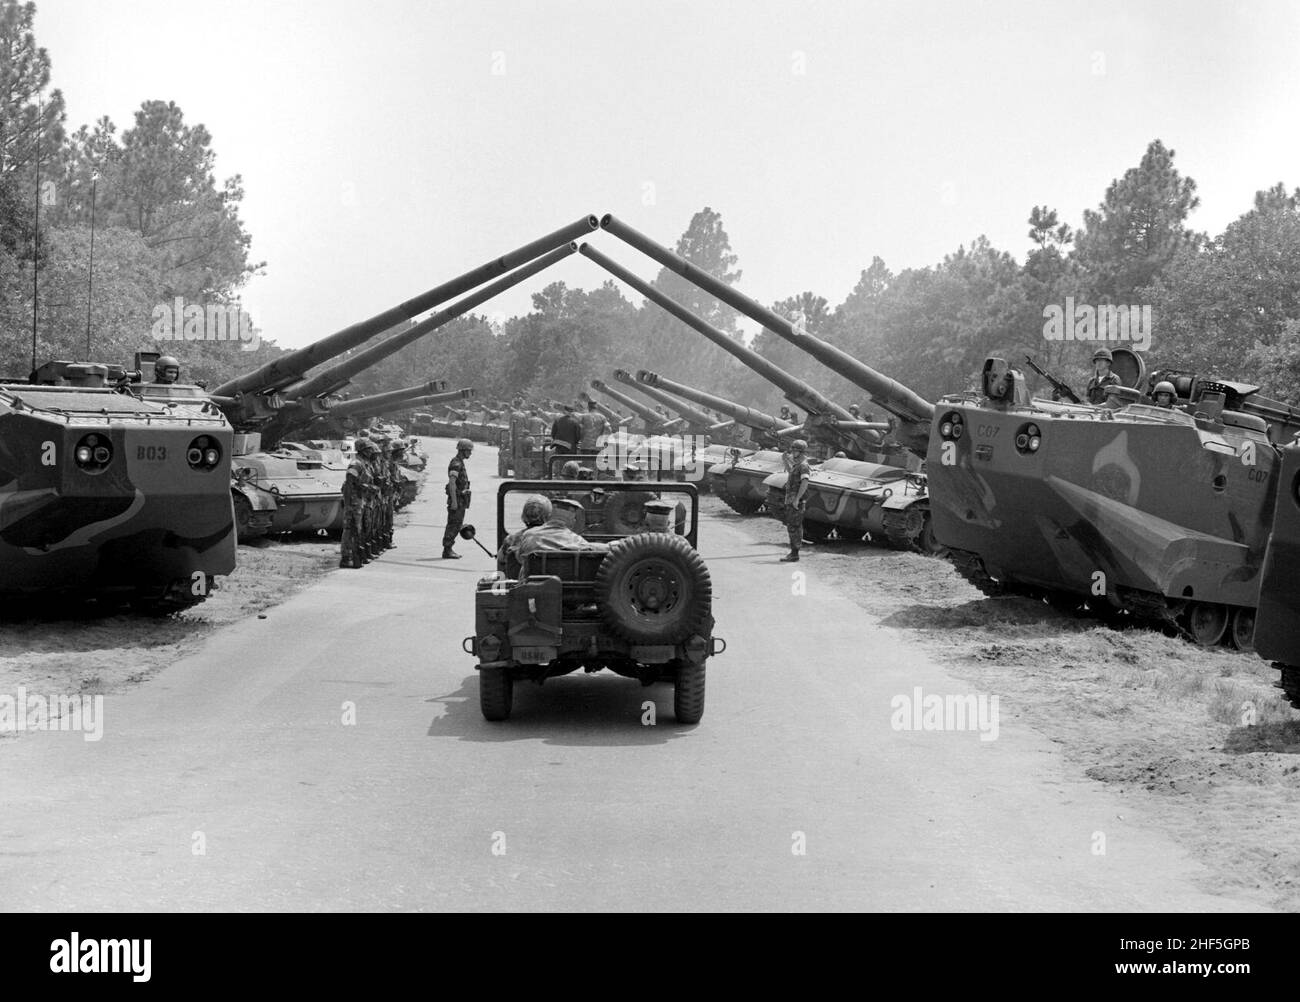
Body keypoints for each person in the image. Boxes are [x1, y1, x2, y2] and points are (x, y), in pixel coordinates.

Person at [516, 498, 609, 564]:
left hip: (529, 587)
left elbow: (519, 558)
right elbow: (595, 550)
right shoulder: (577, 540)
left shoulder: (528, 535)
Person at [340, 439, 377, 568]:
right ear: (362, 450)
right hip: (354, 501)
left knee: (359, 529)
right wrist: (350, 502)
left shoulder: (365, 463)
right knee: (351, 529)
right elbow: (350, 479)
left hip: (361, 500)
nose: (371, 451)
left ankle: (355, 555)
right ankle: (346, 557)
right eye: (368, 449)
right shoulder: (356, 463)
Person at [498, 495, 552, 573]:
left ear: (524, 515)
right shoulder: (554, 539)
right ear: (548, 516)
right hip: (550, 582)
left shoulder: (511, 539)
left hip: (517, 583)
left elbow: (501, 559)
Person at [781, 439, 812, 563]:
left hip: (796, 502)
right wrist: (785, 461)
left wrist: (797, 499)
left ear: (800, 451)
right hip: (792, 500)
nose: (792, 452)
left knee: (795, 527)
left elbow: (805, 482)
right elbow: (791, 472)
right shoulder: (797, 465)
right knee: (792, 526)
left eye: (795, 450)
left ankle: (795, 554)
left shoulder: (803, 465)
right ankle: (793, 553)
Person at [443, 438, 473, 559]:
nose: (470, 453)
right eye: (469, 451)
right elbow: (452, 483)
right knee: (453, 524)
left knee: (456, 523)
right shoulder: (456, 464)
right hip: (457, 500)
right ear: (463, 450)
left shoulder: (459, 462)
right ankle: (447, 549)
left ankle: (448, 549)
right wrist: (454, 502)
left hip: (461, 499)